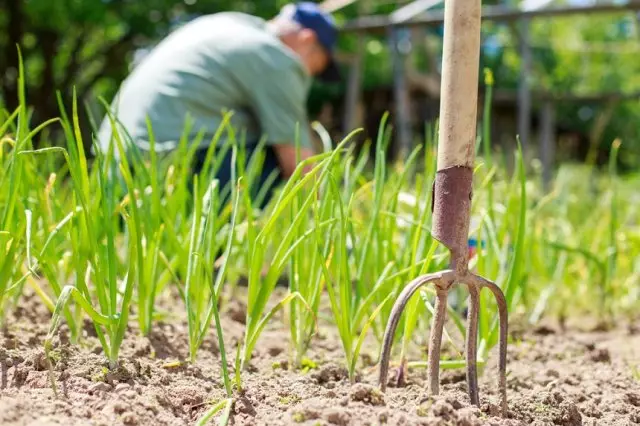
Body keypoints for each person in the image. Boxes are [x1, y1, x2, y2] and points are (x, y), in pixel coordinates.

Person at [96, 2, 340, 206]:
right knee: (276, 154)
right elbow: (299, 164)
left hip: (110, 161)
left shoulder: (225, 25)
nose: (309, 76)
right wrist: (333, 235)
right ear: (307, 40)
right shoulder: (276, 58)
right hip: (165, 169)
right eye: (315, 66)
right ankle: (207, 255)